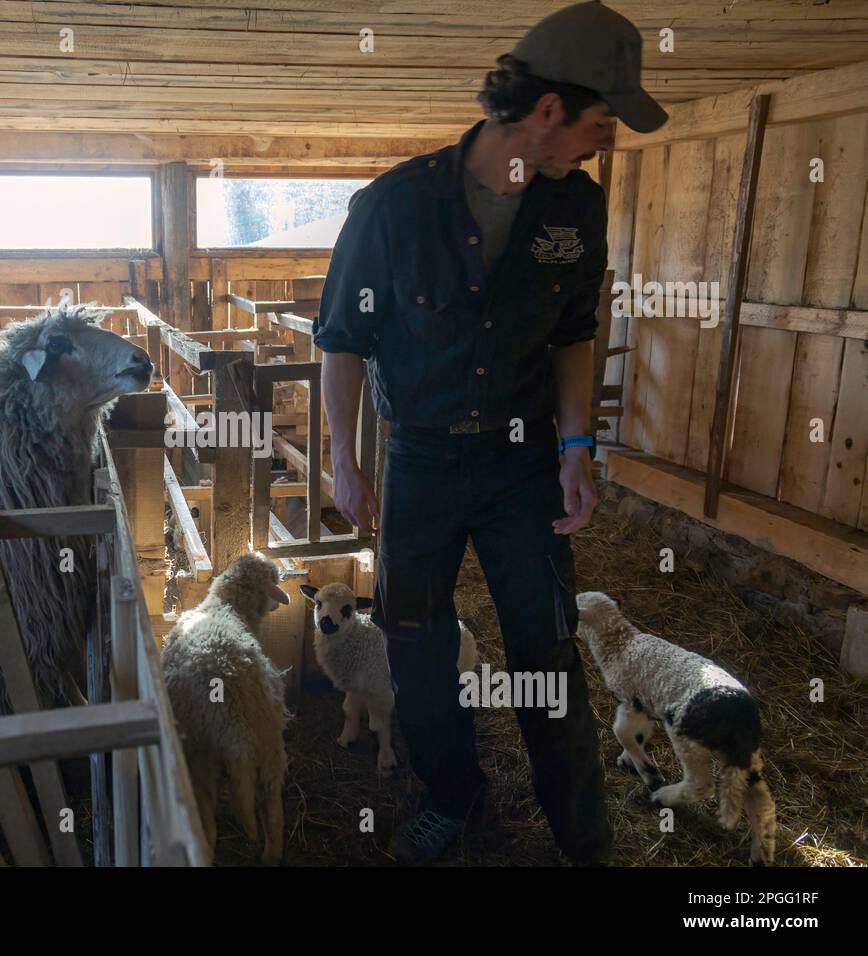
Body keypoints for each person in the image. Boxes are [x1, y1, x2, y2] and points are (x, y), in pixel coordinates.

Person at [311, 1, 668, 865]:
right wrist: (346, 465)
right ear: (546, 111)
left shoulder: (573, 211)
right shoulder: (394, 208)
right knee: (417, 641)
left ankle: (580, 830)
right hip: (422, 461)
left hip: (521, 464)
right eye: (596, 121)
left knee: (543, 638)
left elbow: (574, 335)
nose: (600, 140)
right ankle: (453, 794)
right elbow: (342, 341)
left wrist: (577, 449)